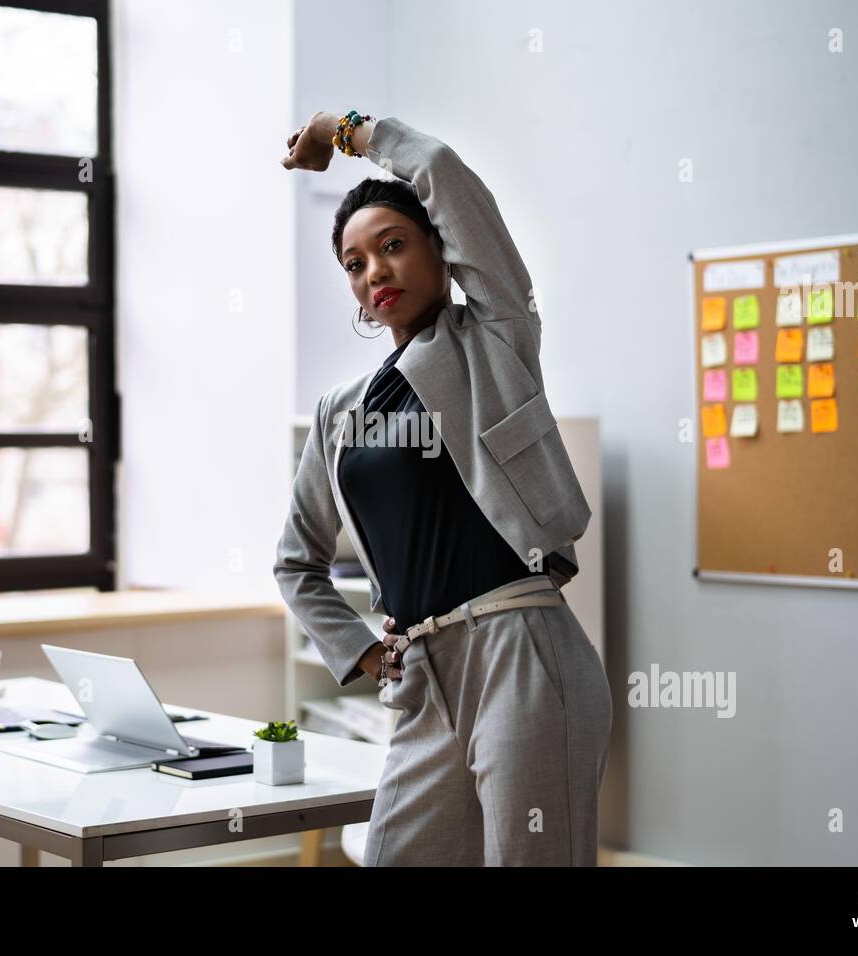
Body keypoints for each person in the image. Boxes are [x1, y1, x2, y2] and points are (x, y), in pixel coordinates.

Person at [275, 110, 612, 866]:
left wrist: (342, 129)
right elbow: (296, 563)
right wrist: (363, 653)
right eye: (355, 264)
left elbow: (445, 173)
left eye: (392, 245)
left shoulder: (493, 341)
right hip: (422, 680)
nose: (375, 272)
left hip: (521, 658)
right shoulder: (340, 413)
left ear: (441, 249)